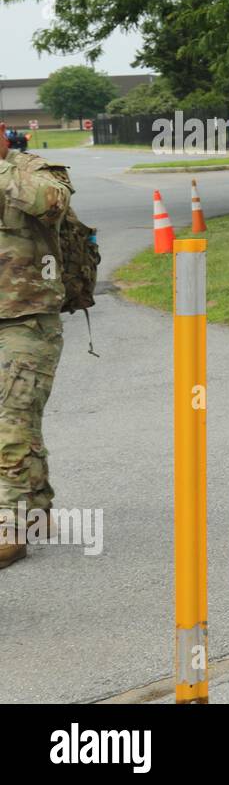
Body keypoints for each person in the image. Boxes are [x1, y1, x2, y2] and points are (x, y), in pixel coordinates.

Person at [0, 122, 71, 569]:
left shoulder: (35, 170)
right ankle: (37, 509)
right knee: (18, 423)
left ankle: (10, 529)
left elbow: (49, 204)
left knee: (11, 424)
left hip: (27, 321)